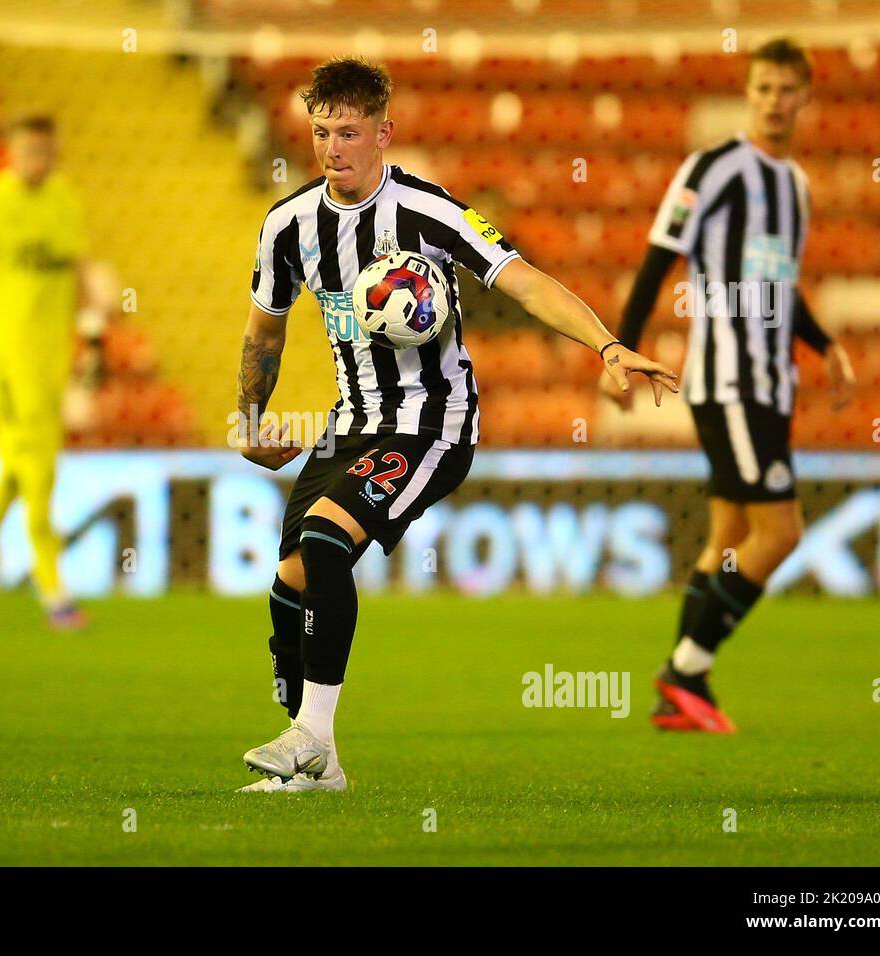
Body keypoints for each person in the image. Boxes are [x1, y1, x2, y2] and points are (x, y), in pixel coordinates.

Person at [235, 57, 678, 791]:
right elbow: (264, 334)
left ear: (385, 133)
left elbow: (524, 279)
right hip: (351, 424)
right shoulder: (289, 227)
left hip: (432, 424)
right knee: (290, 587)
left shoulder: (429, 213)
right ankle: (317, 765)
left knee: (322, 541)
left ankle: (309, 736)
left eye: (348, 132)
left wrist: (605, 342)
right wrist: (249, 420)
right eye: (320, 132)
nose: (332, 147)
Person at [601, 39, 856, 732]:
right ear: (749, 94)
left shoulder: (796, 185)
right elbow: (659, 258)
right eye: (764, 88)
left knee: (732, 537)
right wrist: (620, 347)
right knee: (782, 532)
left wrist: (826, 345)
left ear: (805, 98)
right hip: (730, 380)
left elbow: (780, 285)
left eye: (787, 90)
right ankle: (685, 667)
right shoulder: (714, 168)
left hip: (772, 385)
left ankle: (682, 696)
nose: (776, 101)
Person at [0, 114, 111, 630]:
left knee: (13, 475)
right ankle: (54, 592)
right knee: (38, 473)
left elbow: (78, 275)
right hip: (3, 364)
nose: (39, 161)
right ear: (10, 151)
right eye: (30, 151)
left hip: (51, 364)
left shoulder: (64, 203)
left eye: (47, 152)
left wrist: (95, 340)